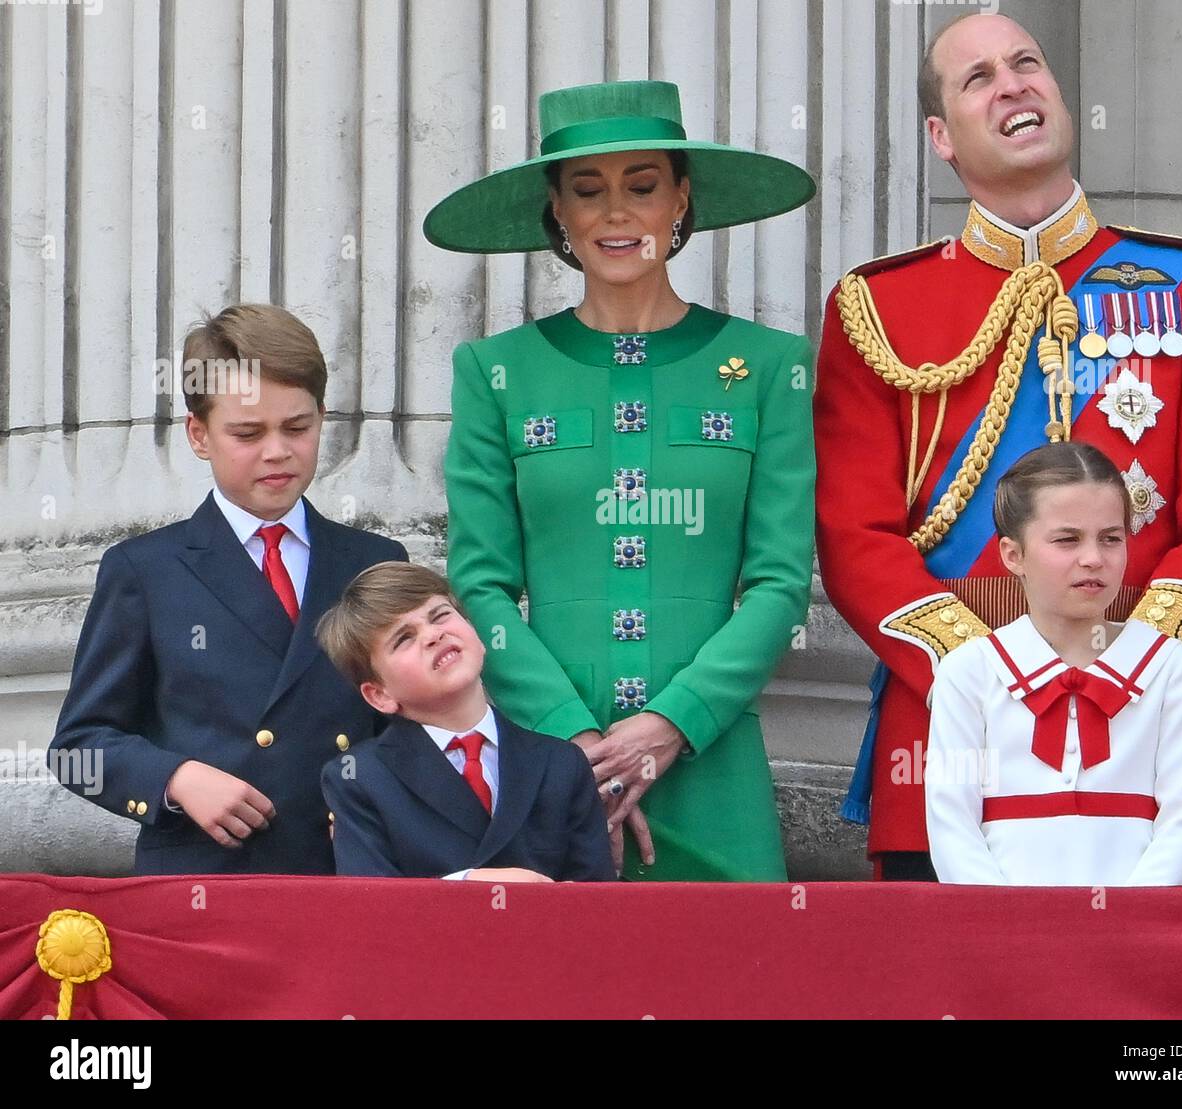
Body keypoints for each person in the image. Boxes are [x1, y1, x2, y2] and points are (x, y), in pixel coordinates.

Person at [814, 12, 1182, 881]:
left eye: (1027, 63)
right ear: (940, 136)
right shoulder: (876, 308)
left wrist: (1129, 673)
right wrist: (987, 675)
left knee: (1138, 1010)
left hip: (1139, 722)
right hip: (947, 721)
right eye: (979, 76)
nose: (1013, 82)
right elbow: (852, 537)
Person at [424, 80, 817, 880]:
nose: (616, 213)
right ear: (557, 212)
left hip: (712, 762)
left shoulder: (772, 368)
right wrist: (577, 741)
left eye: (642, 186)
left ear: (680, 198)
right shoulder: (495, 372)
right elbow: (482, 584)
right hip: (551, 765)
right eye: (587, 190)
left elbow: (780, 583)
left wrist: (673, 720)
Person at [48, 305, 408, 875]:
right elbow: (78, 749)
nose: (277, 451)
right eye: (247, 432)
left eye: (298, 427)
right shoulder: (145, 569)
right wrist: (176, 779)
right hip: (209, 880)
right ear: (199, 434)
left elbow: (412, 727)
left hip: (352, 873)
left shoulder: (373, 561)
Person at [925, 443, 1182, 885]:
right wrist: (1010, 927)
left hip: (1137, 936)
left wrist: (1127, 925)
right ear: (1012, 555)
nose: (1094, 558)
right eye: (1067, 539)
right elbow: (951, 826)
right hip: (1005, 936)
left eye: (1111, 538)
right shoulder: (968, 672)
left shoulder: (1173, 668)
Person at [317, 562, 614, 881]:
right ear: (379, 695)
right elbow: (371, 907)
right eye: (403, 638)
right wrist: (469, 885)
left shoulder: (561, 763)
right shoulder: (359, 779)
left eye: (440, 615)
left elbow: (597, 899)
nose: (433, 635)